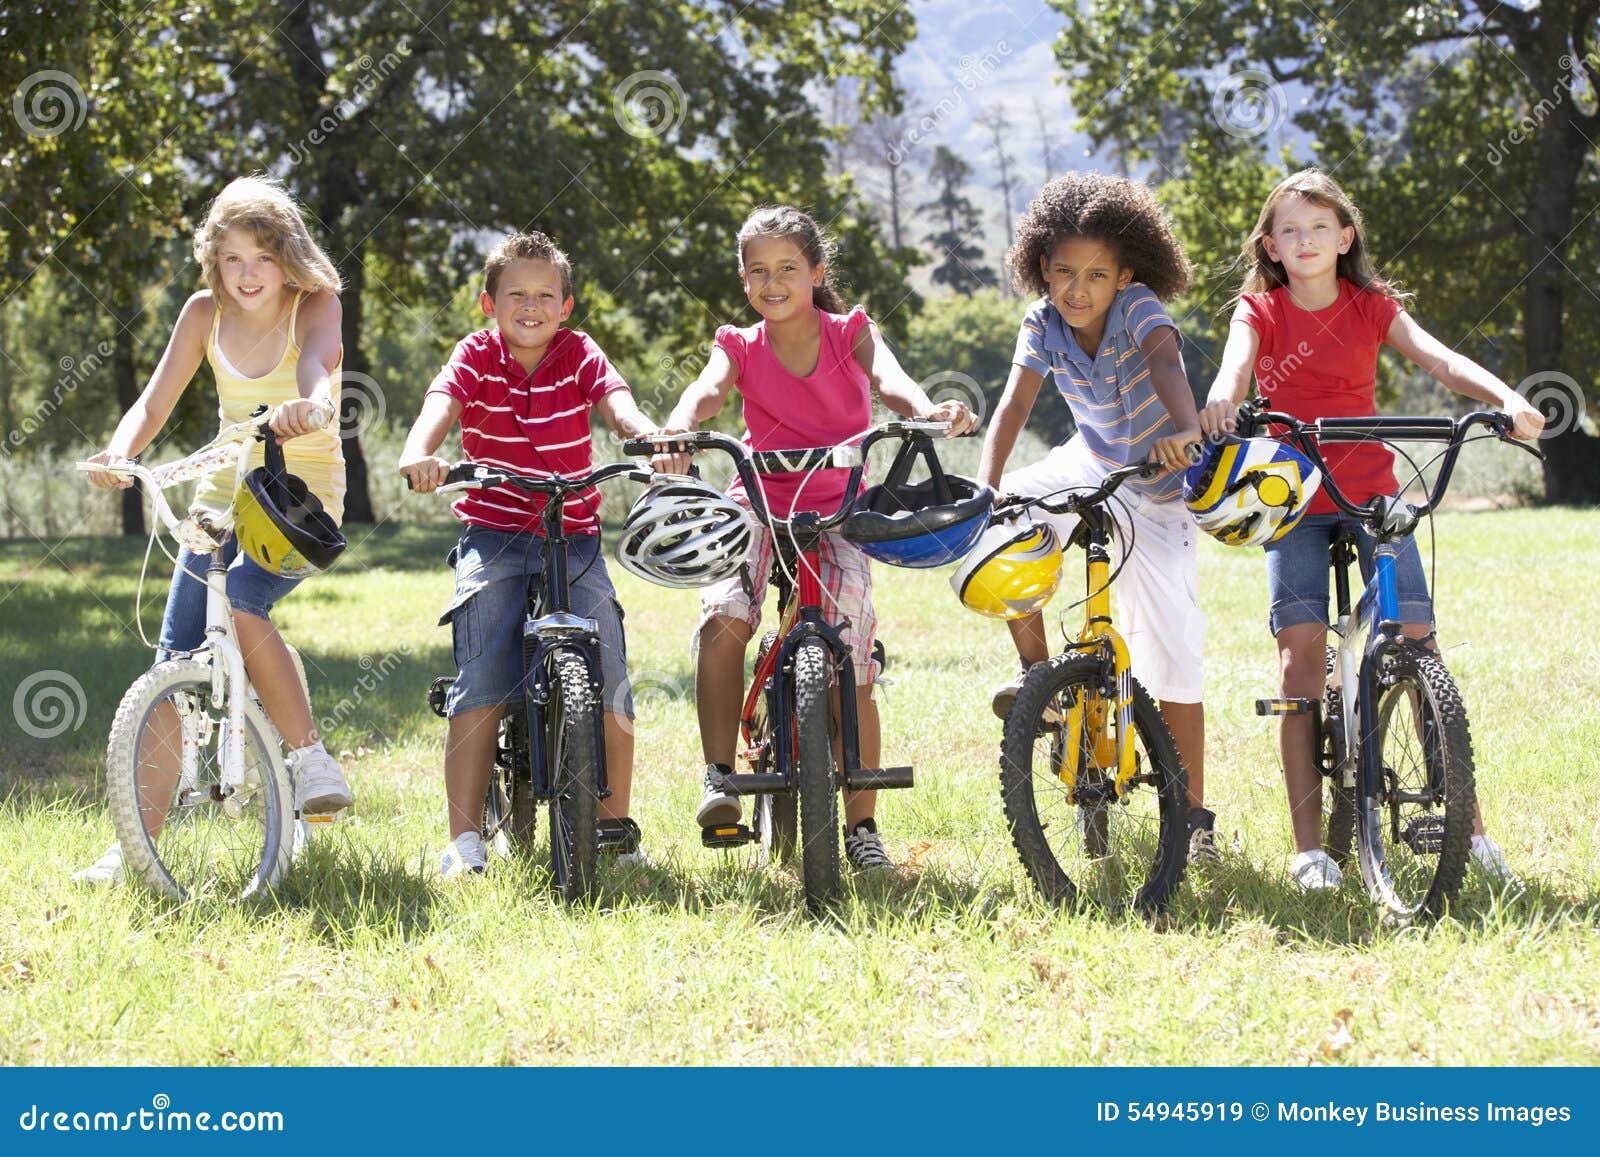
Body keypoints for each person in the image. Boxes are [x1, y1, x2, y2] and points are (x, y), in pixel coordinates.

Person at [1198, 168, 1543, 890]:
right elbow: (1233, 372)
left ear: (1345, 236)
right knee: (1298, 664)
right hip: (1290, 500)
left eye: (1320, 227)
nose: (1306, 239)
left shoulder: (1372, 306)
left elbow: (1441, 360)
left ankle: (1470, 830)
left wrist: (1505, 397)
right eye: (1290, 229)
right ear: (1270, 244)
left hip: (1372, 496)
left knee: (1420, 652)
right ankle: (1309, 851)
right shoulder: (1258, 310)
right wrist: (1223, 402)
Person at [654, 205, 976, 872]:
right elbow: (707, 391)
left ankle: (862, 828)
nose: (774, 283)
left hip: (837, 510)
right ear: (744, 280)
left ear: (816, 272)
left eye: (789, 269)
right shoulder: (739, 345)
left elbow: (890, 379)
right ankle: (719, 778)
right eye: (759, 271)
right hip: (758, 502)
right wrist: (680, 425)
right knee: (723, 618)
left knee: (853, 656)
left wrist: (924, 412)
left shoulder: (848, 332)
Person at [75, 176, 352, 884]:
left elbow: (321, 367)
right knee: (171, 669)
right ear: (213, 263)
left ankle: (308, 756)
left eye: (263, 256)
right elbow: (153, 400)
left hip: (296, 499)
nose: (248, 273)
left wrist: (312, 406)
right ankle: (136, 844)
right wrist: (120, 453)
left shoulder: (314, 305)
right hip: (220, 498)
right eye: (233, 259)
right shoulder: (204, 314)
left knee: (245, 601)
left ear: (288, 256)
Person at [399, 230, 657, 879]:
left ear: (567, 305)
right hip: (495, 532)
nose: (531, 305)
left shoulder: (578, 353)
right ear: (489, 302)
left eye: (546, 294)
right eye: (516, 294)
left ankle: (613, 830)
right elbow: (439, 404)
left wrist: (643, 433)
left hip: (573, 534)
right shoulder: (475, 355)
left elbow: (617, 403)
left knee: (612, 670)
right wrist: (420, 452)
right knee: (482, 673)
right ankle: (463, 841)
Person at [976, 172, 1216, 866]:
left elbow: (1167, 365)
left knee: (1174, 660)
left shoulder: (1140, 309)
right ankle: (1038, 681)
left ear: (1125, 276)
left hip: (1160, 484)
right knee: (1004, 526)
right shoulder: (1042, 323)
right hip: (1093, 458)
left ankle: (1194, 819)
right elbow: (1012, 409)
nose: (1077, 289)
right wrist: (987, 487)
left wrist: (1184, 429)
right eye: (1063, 273)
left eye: (1096, 275)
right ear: (1041, 269)